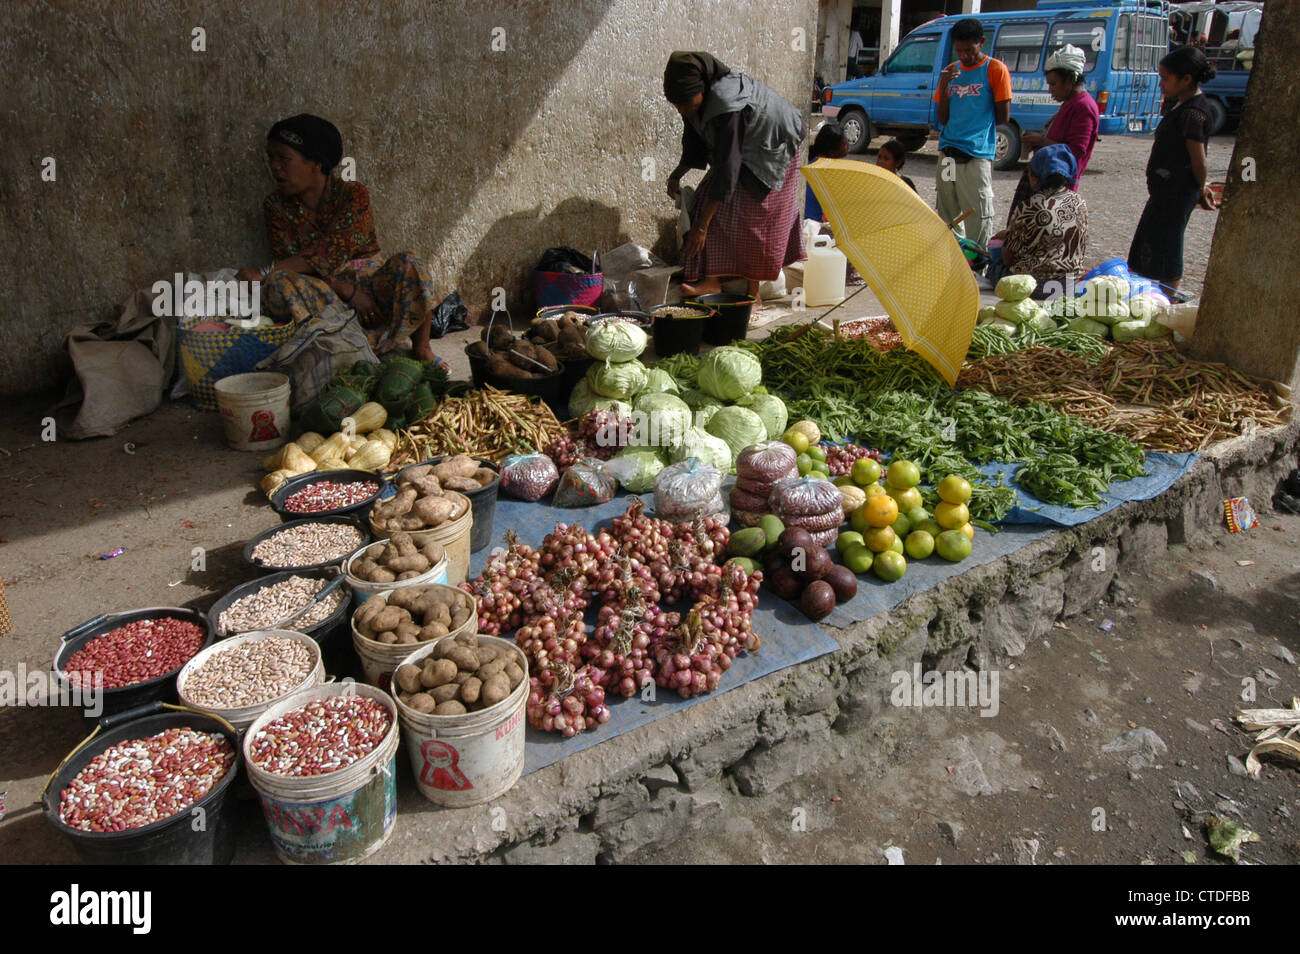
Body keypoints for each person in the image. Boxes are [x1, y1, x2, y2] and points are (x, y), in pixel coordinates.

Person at [236, 114, 446, 366]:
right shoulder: (276, 206)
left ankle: (422, 347)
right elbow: (293, 264)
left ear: (315, 162)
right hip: (326, 296)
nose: (275, 166)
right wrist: (343, 290)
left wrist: (262, 272)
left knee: (411, 264)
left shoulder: (353, 195)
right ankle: (336, 348)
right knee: (278, 284)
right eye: (271, 157)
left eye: (284, 158)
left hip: (371, 292)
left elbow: (327, 254)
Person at [663, 52, 808, 310]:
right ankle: (713, 281)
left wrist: (702, 228)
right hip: (745, 148)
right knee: (705, 202)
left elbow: (727, 168)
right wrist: (677, 173)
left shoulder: (726, 103)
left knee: (755, 221)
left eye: (686, 104)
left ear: (703, 90)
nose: (682, 110)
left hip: (776, 146)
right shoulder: (694, 103)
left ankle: (754, 296)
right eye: (677, 105)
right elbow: (695, 142)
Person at [1127, 47, 1218, 290]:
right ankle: (1147, 291)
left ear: (1186, 79)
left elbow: (1199, 160)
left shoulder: (1193, 114)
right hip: (1164, 191)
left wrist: (1201, 187)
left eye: (1165, 79)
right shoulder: (1181, 106)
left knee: (1169, 246)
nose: (1161, 84)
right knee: (1150, 242)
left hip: (1177, 192)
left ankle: (1169, 296)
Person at [932, 18, 1012, 252]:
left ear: (981, 43)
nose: (964, 55)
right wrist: (945, 86)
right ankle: (954, 257)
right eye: (959, 50)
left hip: (976, 155)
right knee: (947, 210)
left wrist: (975, 129)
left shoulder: (995, 69)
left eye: (969, 49)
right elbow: (943, 118)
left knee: (978, 212)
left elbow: (1003, 116)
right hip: (947, 152)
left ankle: (978, 263)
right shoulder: (951, 72)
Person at [1011, 44, 1099, 218]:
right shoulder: (1071, 103)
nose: (1050, 90)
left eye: (1053, 84)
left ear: (1071, 79)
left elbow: (1075, 151)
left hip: (1059, 188)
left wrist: (1040, 141)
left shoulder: (1083, 107)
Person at [998, 144, 1089, 291]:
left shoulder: (1028, 207)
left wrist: (1006, 239)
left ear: (1034, 178)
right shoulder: (1079, 202)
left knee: (995, 266)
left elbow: (1008, 259)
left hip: (1034, 285)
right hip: (1069, 283)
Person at [805, 123, 848, 223]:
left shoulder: (811, 164)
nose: (848, 147)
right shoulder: (828, 170)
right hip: (814, 223)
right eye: (845, 144)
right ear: (833, 149)